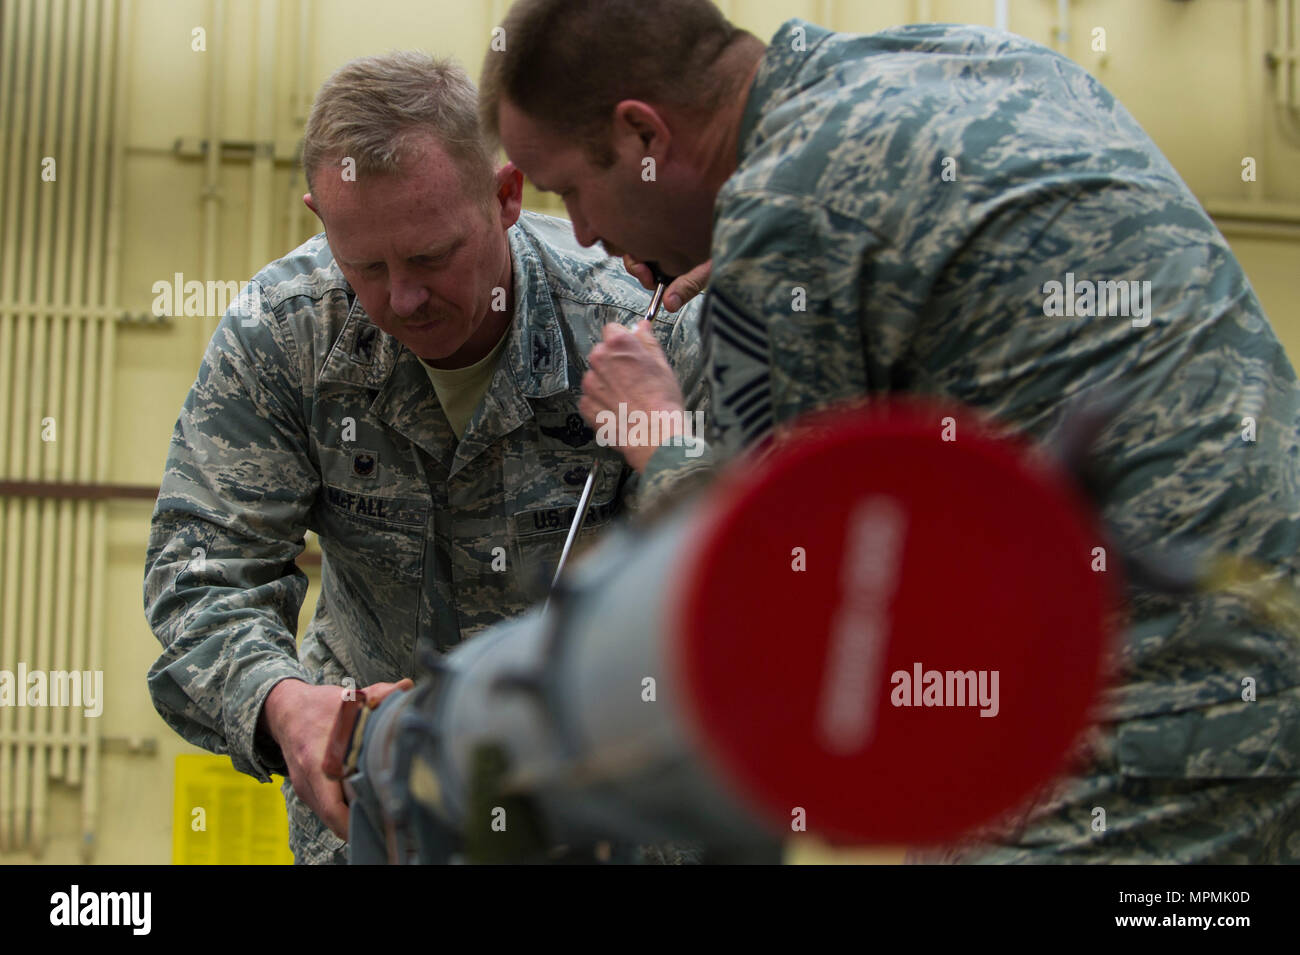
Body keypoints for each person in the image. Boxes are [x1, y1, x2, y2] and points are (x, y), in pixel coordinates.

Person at [482, 0, 1300, 862]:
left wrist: (662, 441)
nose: (580, 233)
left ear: (645, 137)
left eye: (571, 188)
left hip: (1136, 747)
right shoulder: (981, 63)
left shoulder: (789, 210)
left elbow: (793, 619)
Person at [143, 51, 706, 864]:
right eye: (366, 265)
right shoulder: (285, 333)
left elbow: (732, 580)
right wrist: (282, 703)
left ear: (506, 197)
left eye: (432, 255)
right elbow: (202, 569)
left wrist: (668, 449)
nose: (402, 298)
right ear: (318, 214)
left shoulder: (633, 328)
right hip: (382, 813)